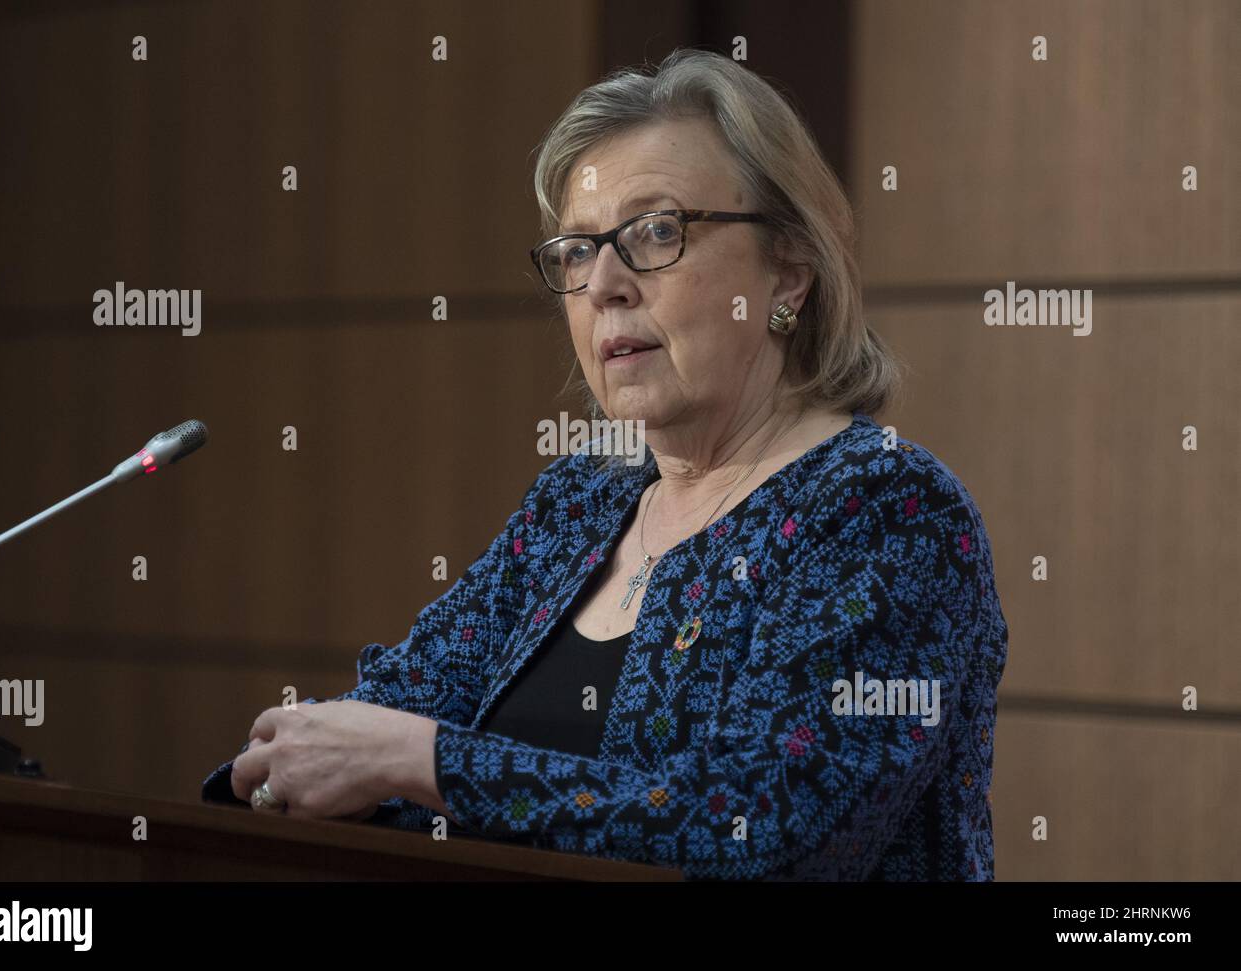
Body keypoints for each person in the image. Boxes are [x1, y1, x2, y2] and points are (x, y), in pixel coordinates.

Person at [202, 47, 1008, 881]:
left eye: (657, 232)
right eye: (578, 251)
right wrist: (295, 770)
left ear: (790, 274)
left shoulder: (889, 511)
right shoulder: (578, 503)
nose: (604, 285)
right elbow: (380, 721)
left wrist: (432, 765)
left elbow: (767, 830)